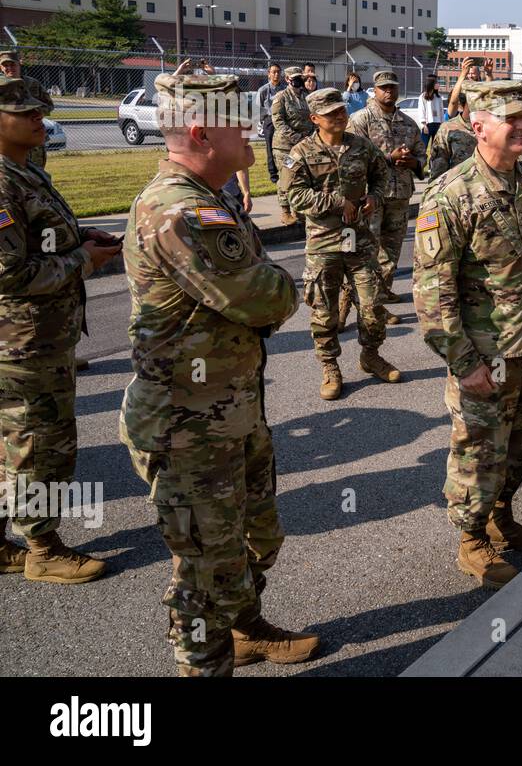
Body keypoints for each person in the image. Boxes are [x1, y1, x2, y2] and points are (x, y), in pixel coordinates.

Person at [119, 67, 318, 676]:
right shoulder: (182, 213)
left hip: (228, 412)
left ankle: (244, 628)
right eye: (240, 120)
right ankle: (206, 661)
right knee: (206, 569)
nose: (253, 128)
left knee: (257, 537)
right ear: (203, 133)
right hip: (188, 429)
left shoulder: (211, 199)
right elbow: (267, 298)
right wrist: (285, 286)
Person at [412, 80, 522, 589]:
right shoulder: (452, 193)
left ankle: (501, 517)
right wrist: (463, 362)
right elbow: (433, 290)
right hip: (485, 355)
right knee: (479, 450)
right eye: (513, 119)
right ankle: (471, 539)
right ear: (478, 127)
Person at [0, 76, 120, 582]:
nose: (39, 119)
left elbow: (36, 241)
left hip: (42, 337)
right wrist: (82, 262)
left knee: (14, 439)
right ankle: (42, 548)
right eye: (26, 113)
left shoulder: (25, 171)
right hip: (24, 341)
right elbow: (8, 274)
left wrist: (79, 236)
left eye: (41, 111)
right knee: (38, 443)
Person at [283, 87, 401, 399]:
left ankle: (370, 355)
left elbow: (382, 175)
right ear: (314, 118)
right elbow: (294, 195)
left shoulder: (361, 146)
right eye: (331, 112)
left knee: (372, 304)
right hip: (324, 243)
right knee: (324, 309)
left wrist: (375, 197)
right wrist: (337, 202)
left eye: (341, 110)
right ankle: (330, 367)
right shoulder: (301, 153)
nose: (339, 115)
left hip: (359, 240)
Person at [348, 70, 425, 324]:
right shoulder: (361, 120)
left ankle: (379, 297)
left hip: (400, 195)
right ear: (375, 90)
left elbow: (424, 159)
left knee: (390, 252)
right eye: (383, 87)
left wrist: (413, 161)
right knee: (366, 251)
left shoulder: (408, 124)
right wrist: (387, 158)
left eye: (392, 87)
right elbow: (353, 160)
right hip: (372, 196)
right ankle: (359, 302)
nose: (389, 91)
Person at [270, 66, 313, 225]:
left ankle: (298, 210)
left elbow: (311, 118)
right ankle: (285, 212)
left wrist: (310, 136)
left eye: (299, 77)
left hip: (303, 145)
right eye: (294, 78)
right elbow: (279, 122)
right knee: (286, 177)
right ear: (287, 79)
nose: (298, 81)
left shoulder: (305, 96)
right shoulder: (281, 97)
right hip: (285, 147)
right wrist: (297, 137)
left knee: (301, 177)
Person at [0, 52, 53, 170]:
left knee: (36, 174)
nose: (9, 68)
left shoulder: (32, 84)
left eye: (12, 64)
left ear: (19, 64)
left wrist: (32, 113)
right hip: (9, 140)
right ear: (1, 67)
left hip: (32, 137)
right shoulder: (1, 86)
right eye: (5, 65)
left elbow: (48, 105)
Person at [426, 90, 477, 180]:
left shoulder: (491, 127)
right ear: (463, 104)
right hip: (458, 188)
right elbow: (438, 170)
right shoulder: (447, 128)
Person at [256, 63, 286, 185]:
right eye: (273, 72)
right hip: (269, 120)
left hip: (283, 119)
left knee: (284, 145)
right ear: (269, 74)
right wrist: (264, 121)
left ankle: (285, 170)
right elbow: (258, 108)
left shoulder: (285, 89)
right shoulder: (263, 90)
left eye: (278, 72)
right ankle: (273, 174)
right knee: (270, 147)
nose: (276, 74)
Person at [416, 77, 444, 151]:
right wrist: (423, 125)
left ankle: (433, 162)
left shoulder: (439, 97)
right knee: (423, 147)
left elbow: (441, 111)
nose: (438, 84)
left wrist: (442, 124)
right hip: (427, 125)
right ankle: (422, 162)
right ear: (431, 84)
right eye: (436, 83)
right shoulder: (423, 96)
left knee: (436, 148)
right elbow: (421, 111)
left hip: (438, 125)